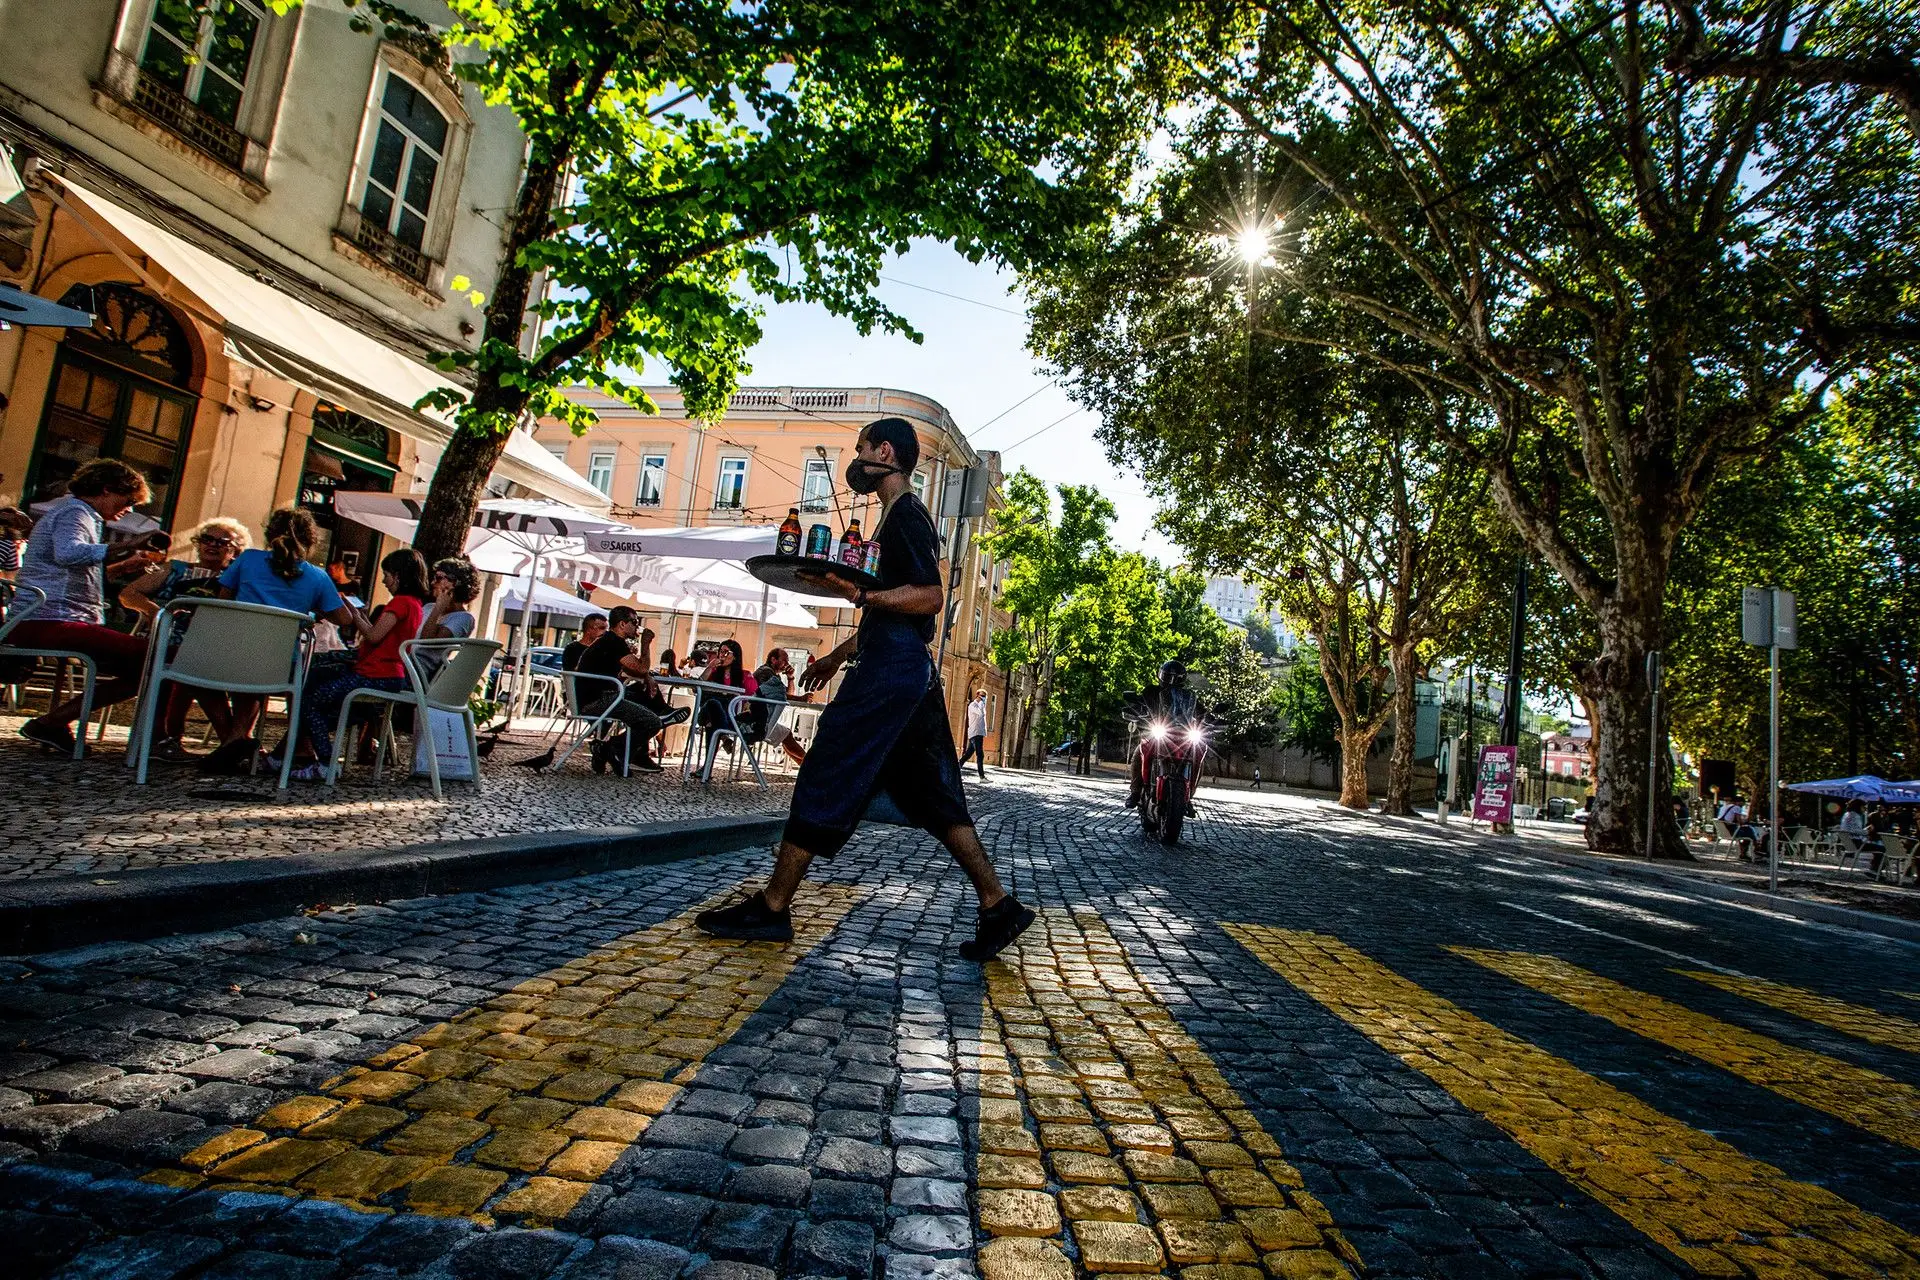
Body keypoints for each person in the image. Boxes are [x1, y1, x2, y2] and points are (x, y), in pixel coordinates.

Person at [695, 416, 1033, 961]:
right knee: (936, 798)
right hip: (905, 671)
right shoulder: (894, 518)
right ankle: (998, 905)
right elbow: (892, 612)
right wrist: (836, 654)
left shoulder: (908, 516)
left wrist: (857, 595)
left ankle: (773, 907)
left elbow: (929, 598)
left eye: (861, 450)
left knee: (825, 768)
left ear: (885, 453)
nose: (855, 460)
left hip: (889, 675)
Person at [11, 459, 171, 753]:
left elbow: (65, 570)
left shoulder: (79, 513)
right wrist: (129, 543)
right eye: (128, 500)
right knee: (160, 657)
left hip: (47, 618)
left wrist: (119, 568)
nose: (129, 510)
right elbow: (69, 553)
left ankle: (54, 722)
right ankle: (157, 741)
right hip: (48, 620)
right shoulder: (75, 512)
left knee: (149, 664)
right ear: (107, 489)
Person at [198, 507, 358, 772]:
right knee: (277, 671)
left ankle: (234, 740)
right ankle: (247, 742)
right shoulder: (317, 576)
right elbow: (344, 618)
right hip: (281, 664)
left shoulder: (248, 560)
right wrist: (311, 611)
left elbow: (223, 601)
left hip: (231, 655)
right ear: (310, 541)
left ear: (270, 534)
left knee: (212, 672)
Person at [270, 548, 430, 780]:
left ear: (398, 575)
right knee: (318, 702)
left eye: (386, 575)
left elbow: (373, 636)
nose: (384, 581)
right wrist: (360, 614)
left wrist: (353, 615)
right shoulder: (414, 604)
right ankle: (280, 757)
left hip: (375, 673)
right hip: (389, 674)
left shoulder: (399, 603)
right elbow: (383, 636)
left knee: (310, 703)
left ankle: (325, 763)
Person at [119, 517, 249, 760]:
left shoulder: (239, 581)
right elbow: (129, 593)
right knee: (184, 660)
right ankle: (228, 742)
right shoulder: (175, 568)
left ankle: (180, 739)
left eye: (222, 542)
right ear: (198, 543)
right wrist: (154, 611)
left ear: (235, 551)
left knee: (195, 662)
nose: (212, 545)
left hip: (213, 645)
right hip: (167, 637)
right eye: (207, 539)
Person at [573, 605, 689, 775]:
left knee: (642, 689)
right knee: (652, 723)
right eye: (634, 622)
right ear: (622, 624)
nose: (637, 626)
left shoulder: (608, 641)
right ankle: (610, 747)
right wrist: (646, 644)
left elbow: (634, 670)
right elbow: (641, 667)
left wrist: (646, 677)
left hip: (597, 696)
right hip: (600, 701)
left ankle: (662, 715)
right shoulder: (614, 642)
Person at [1124, 660, 1205, 809]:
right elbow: (1140, 703)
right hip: (1157, 731)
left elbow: (1201, 712)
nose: (1171, 680)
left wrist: (1212, 720)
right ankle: (1135, 792)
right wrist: (1136, 710)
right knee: (1139, 752)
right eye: (1167, 676)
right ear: (1160, 675)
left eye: (1175, 677)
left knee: (1198, 754)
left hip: (1182, 735)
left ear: (1182, 679)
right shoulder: (1151, 691)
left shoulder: (1187, 696)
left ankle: (1188, 796)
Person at [745, 646, 808, 768]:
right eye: (784, 660)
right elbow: (781, 696)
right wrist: (801, 698)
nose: (787, 664)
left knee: (786, 734)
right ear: (773, 660)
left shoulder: (773, 675)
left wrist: (790, 677)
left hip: (761, 718)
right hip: (757, 721)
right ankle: (811, 766)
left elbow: (788, 693)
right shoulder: (766, 672)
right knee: (786, 735)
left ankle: (806, 767)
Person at [959, 688, 989, 779]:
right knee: (980, 754)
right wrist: (981, 703)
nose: (983, 698)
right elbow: (980, 714)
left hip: (978, 733)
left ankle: (956, 768)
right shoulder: (973, 705)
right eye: (982, 696)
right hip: (975, 733)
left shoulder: (981, 706)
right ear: (977, 695)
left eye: (985, 696)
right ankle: (982, 777)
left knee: (968, 755)